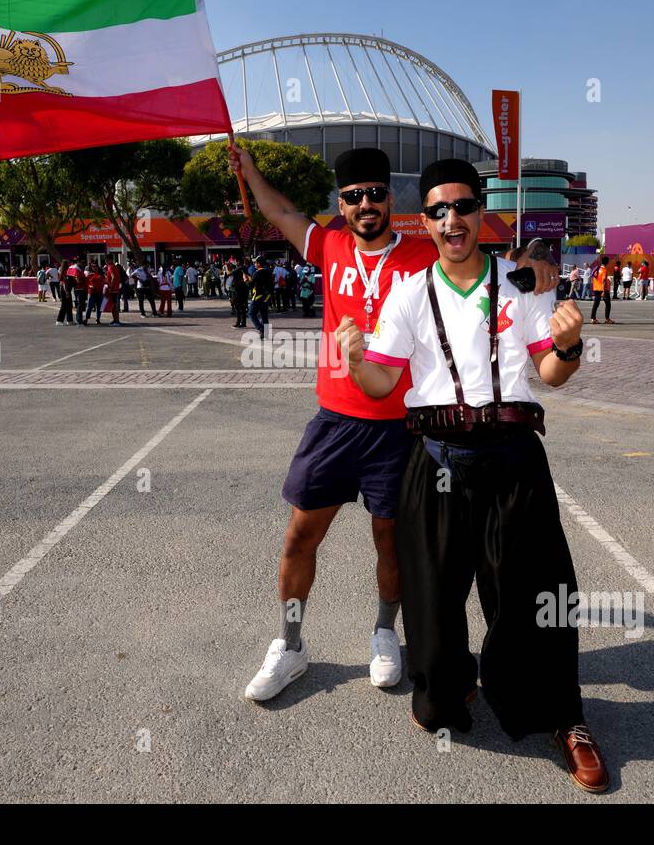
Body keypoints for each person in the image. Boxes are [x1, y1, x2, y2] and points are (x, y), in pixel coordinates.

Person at [228, 142, 558, 705]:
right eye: (353, 197)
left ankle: (385, 634)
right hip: (334, 421)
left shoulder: (422, 255)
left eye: (375, 194)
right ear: (342, 202)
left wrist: (535, 253)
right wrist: (249, 170)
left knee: (392, 544)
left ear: (391, 200)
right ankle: (290, 644)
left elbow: (486, 256)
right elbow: (281, 212)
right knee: (299, 537)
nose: (365, 204)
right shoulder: (328, 246)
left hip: (401, 429)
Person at [335, 157, 607, 793]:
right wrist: (353, 360)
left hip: (513, 459)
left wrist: (569, 347)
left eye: (462, 207)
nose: (451, 219)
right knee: (431, 602)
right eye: (438, 210)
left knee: (538, 596)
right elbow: (381, 379)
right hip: (435, 461)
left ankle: (562, 714)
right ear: (425, 221)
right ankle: (444, 692)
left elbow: (550, 374)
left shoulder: (522, 284)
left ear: (482, 213)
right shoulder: (408, 295)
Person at [589, 256, 613, 325]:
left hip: (596, 288)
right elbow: (603, 281)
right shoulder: (604, 270)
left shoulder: (597, 268)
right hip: (602, 289)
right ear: (607, 262)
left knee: (596, 304)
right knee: (608, 304)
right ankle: (607, 319)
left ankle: (593, 318)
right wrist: (603, 291)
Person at [227, 260, 249, 327]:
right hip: (241, 289)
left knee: (239, 306)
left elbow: (229, 274)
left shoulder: (240, 268)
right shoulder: (242, 268)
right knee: (240, 306)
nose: (235, 262)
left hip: (239, 290)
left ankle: (240, 322)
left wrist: (227, 267)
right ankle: (242, 322)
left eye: (236, 261)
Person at [104, 258, 123, 326]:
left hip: (113, 290)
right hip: (115, 289)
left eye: (107, 260)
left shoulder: (111, 267)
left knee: (114, 306)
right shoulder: (114, 267)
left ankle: (116, 321)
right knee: (113, 305)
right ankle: (115, 320)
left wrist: (111, 287)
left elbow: (113, 277)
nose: (106, 261)